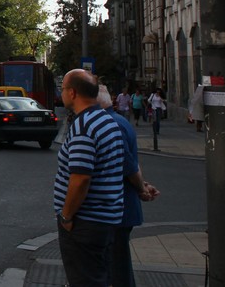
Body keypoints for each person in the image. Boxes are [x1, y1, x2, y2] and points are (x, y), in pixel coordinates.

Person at [53, 69, 127, 287]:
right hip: (105, 219)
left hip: (86, 222)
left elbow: (81, 178)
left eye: (63, 88)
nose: (62, 93)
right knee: (98, 277)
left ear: (72, 92)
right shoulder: (108, 120)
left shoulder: (84, 127)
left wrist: (66, 216)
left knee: (86, 281)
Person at [98, 84, 159, 287]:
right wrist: (142, 185)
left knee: (117, 266)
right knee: (116, 263)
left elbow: (127, 164)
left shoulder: (110, 124)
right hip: (120, 206)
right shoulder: (118, 121)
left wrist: (141, 188)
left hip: (117, 208)